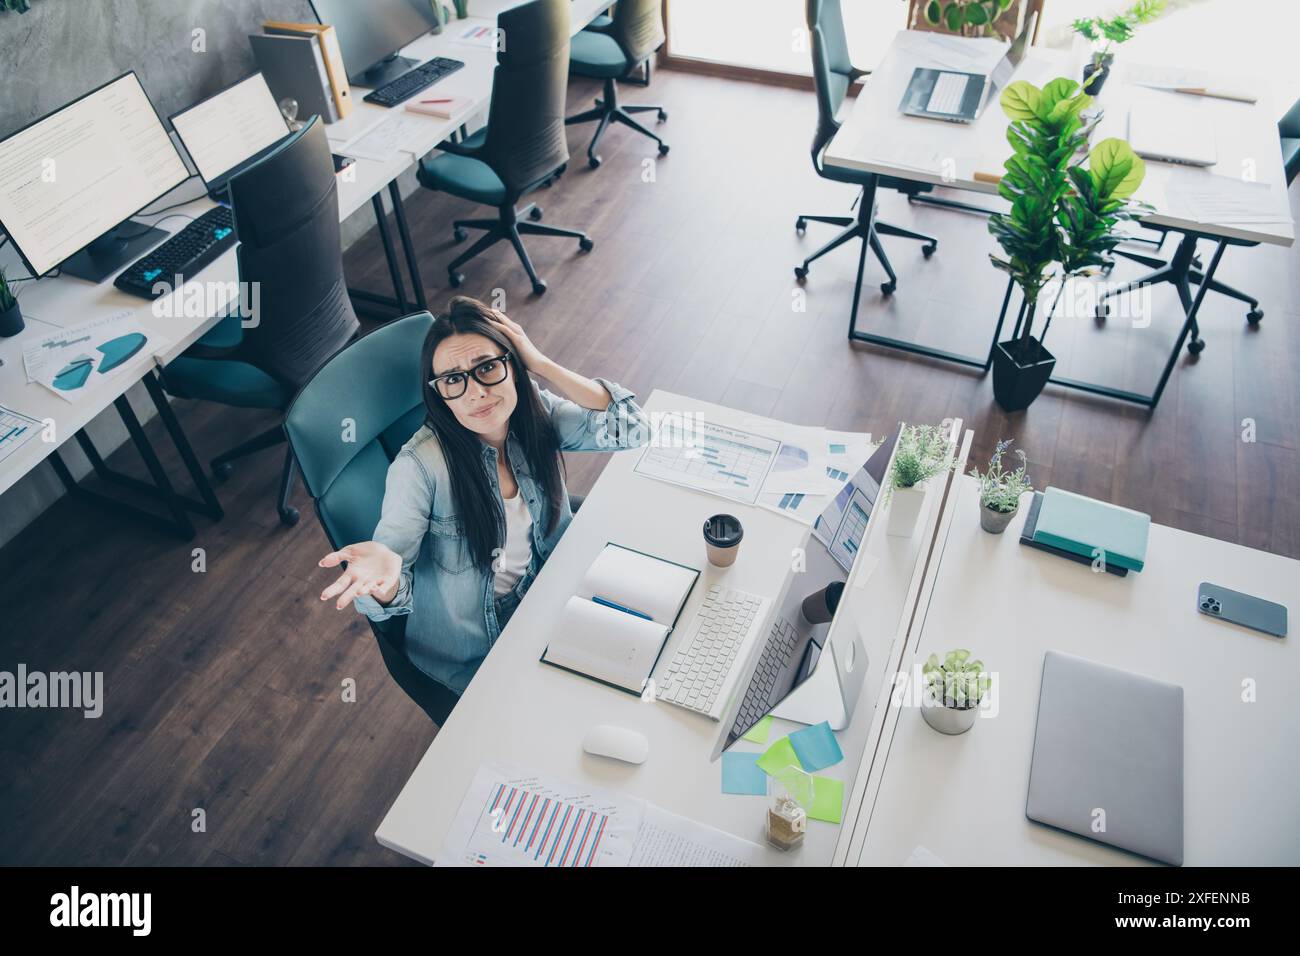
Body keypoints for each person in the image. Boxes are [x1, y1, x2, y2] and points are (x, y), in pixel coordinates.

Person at [318, 296, 648, 706]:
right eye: (454, 380)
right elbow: (387, 599)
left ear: (513, 365)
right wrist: (384, 583)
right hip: (479, 644)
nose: (476, 393)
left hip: (552, 592)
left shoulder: (535, 412)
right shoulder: (419, 468)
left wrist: (541, 363)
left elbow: (631, 429)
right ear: (440, 395)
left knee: (635, 675)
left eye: (488, 368)